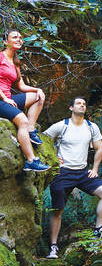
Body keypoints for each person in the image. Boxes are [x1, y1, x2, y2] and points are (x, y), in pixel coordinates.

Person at [43, 97, 102, 258]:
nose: (82, 105)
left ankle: (99, 229)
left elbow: (99, 147)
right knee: (57, 210)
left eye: (84, 104)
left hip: (83, 172)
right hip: (62, 173)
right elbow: (43, 139)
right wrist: (54, 158)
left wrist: (95, 168)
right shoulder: (62, 126)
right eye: (78, 103)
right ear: (70, 108)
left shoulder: (91, 127)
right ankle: (53, 247)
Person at [0, 29, 49, 172]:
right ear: (5, 41)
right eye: (14, 37)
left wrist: (37, 89)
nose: (18, 39)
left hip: (7, 99)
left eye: (20, 37)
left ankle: (30, 130)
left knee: (39, 96)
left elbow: (20, 86)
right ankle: (31, 161)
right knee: (22, 120)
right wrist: (4, 98)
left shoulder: (15, 62)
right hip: (2, 99)